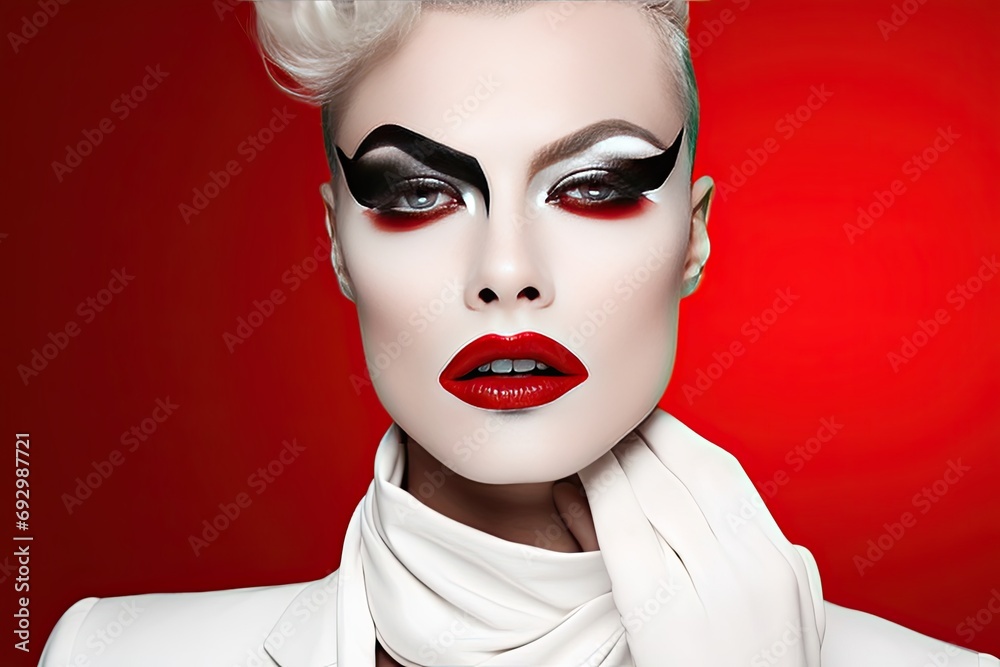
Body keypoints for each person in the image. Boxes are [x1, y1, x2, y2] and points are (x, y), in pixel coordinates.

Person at [39, 2, 999, 666]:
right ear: (335, 243)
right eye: (419, 194)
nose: (505, 270)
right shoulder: (112, 655)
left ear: (694, 235)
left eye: (593, 187)